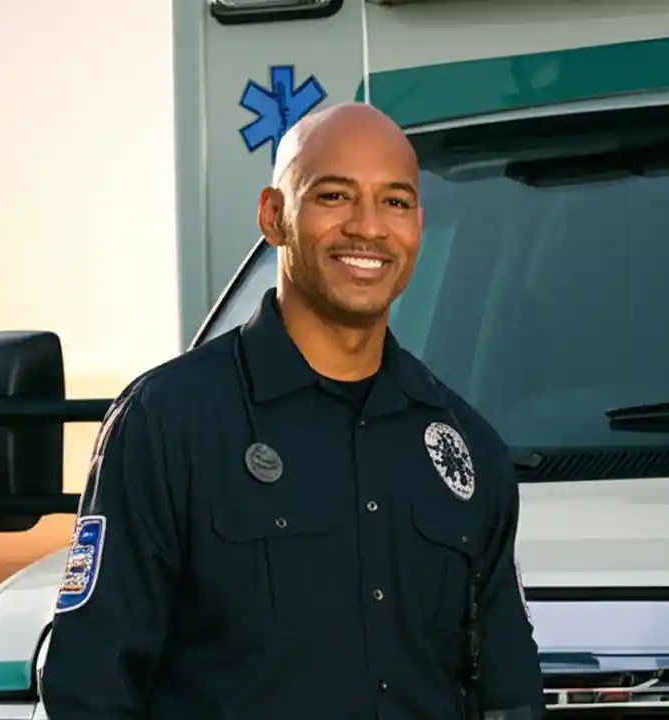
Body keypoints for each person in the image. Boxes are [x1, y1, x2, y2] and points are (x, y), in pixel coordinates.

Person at [40, 102, 545, 720]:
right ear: (274, 216)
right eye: (334, 196)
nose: (369, 227)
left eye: (396, 201)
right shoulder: (167, 423)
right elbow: (90, 691)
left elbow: (509, 696)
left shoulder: (468, 449)